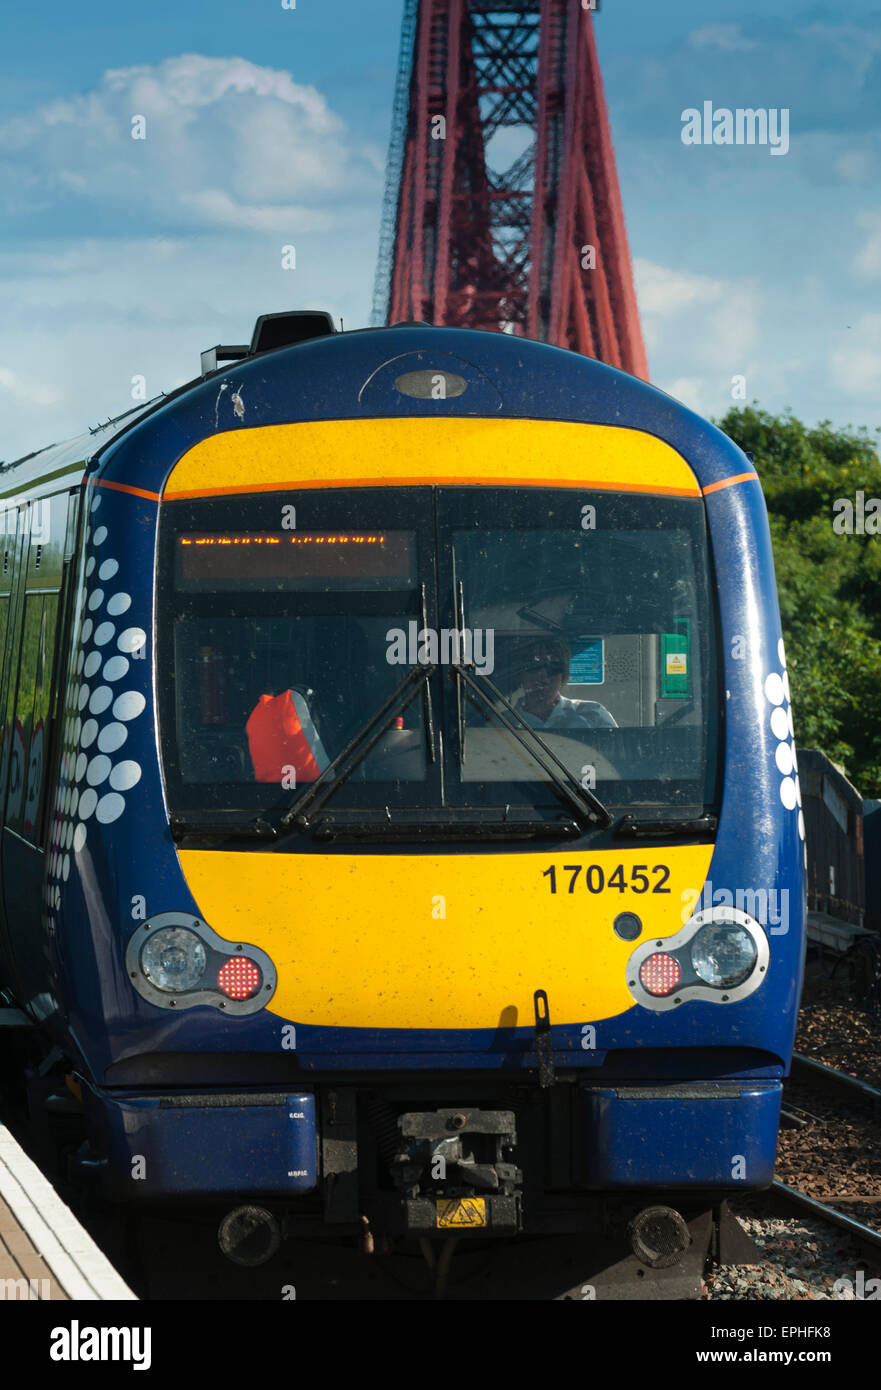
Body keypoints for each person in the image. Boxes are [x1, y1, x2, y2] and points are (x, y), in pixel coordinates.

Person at [514, 641, 617, 731]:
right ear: (520, 673)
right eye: (534, 666)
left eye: (553, 667)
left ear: (564, 673)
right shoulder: (503, 722)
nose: (543, 676)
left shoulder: (593, 715)